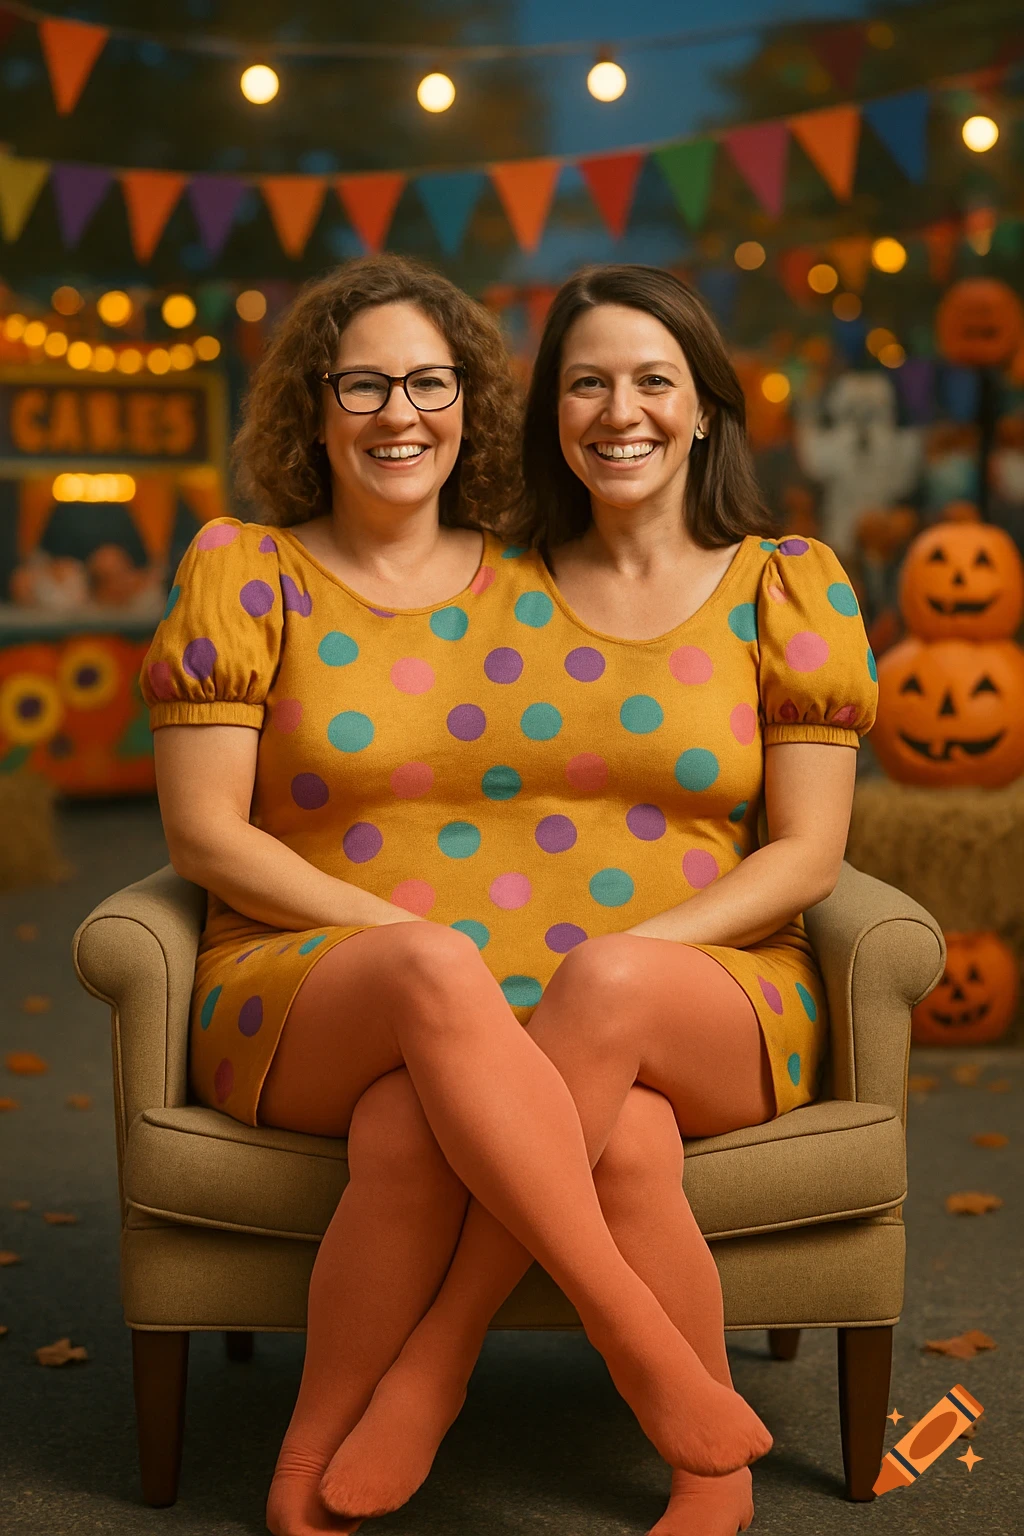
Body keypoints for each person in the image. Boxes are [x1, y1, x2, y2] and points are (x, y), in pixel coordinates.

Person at [138, 255, 806, 1536]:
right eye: (365, 383)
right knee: (432, 972)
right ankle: (637, 1343)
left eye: (430, 381)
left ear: (472, 403)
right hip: (298, 985)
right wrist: (414, 944)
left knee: (562, 1136)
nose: (400, 411)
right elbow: (204, 833)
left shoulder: (529, 573)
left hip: (503, 1009)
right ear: (313, 408)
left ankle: (348, 1445)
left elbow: (654, 757)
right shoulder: (245, 565)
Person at [292, 264, 880, 1536]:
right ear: (551, 412)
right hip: (534, 1001)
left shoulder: (789, 584)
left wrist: (623, 957)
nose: (622, 410)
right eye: (588, 382)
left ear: (707, 407)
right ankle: (708, 1465)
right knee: (621, 1144)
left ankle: (436, 1362)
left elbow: (808, 857)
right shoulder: (496, 581)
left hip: (729, 992)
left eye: (654, 380)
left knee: (607, 985)